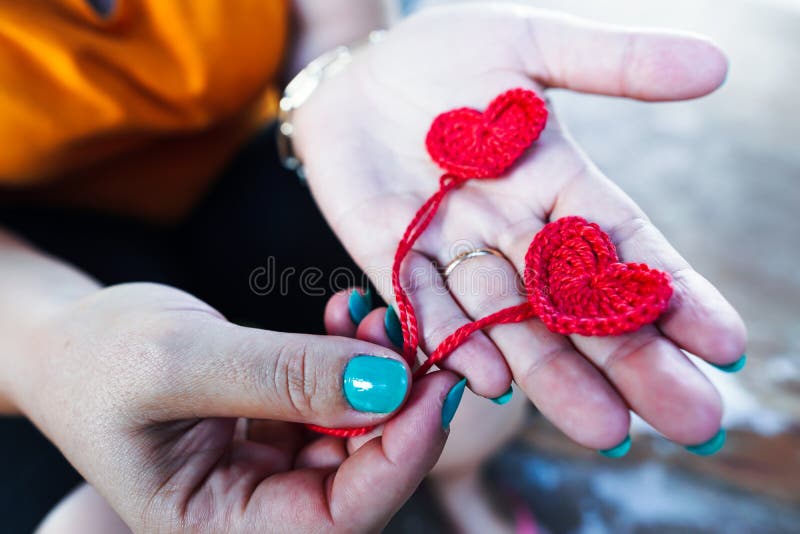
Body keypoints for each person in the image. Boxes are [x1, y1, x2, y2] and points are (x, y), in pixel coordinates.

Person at [0, 1, 746, 532]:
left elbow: (334, 22)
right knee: (100, 515)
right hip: (31, 264)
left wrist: (340, 66)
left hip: (283, 155)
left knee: (467, 373)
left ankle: (461, 480)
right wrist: (47, 344)